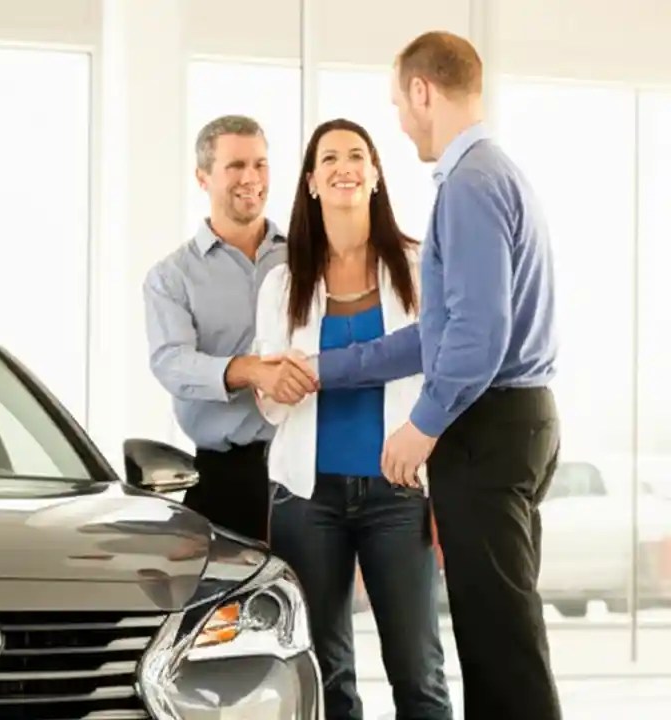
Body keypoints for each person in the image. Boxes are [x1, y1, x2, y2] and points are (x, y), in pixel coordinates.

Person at [289, 32, 562, 719]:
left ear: (422, 91)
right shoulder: (490, 175)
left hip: (488, 426)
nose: (402, 124)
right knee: (498, 634)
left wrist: (421, 426)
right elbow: (437, 334)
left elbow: (476, 339)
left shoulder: (470, 185)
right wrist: (324, 368)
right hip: (512, 421)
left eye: (399, 105)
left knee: (500, 642)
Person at [254, 118, 452, 720]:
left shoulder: (420, 267)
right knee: (325, 670)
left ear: (375, 174)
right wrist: (277, 381)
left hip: (399, 494)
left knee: (418, 670)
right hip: (307, 499)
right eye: (330, 158)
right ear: (311, 182)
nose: (345, 166)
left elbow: (443, 373)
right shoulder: (283, 283)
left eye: (357, 156)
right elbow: (271, 403)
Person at [143, 115, 317, 543]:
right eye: (236, 166)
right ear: (203, 177)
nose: (251, 178)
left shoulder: (306, 259)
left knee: (316, 606)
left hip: (308, 467)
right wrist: (252, 371)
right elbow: (172, 363)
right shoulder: (171, 277)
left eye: (260, 164)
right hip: (226, 478)